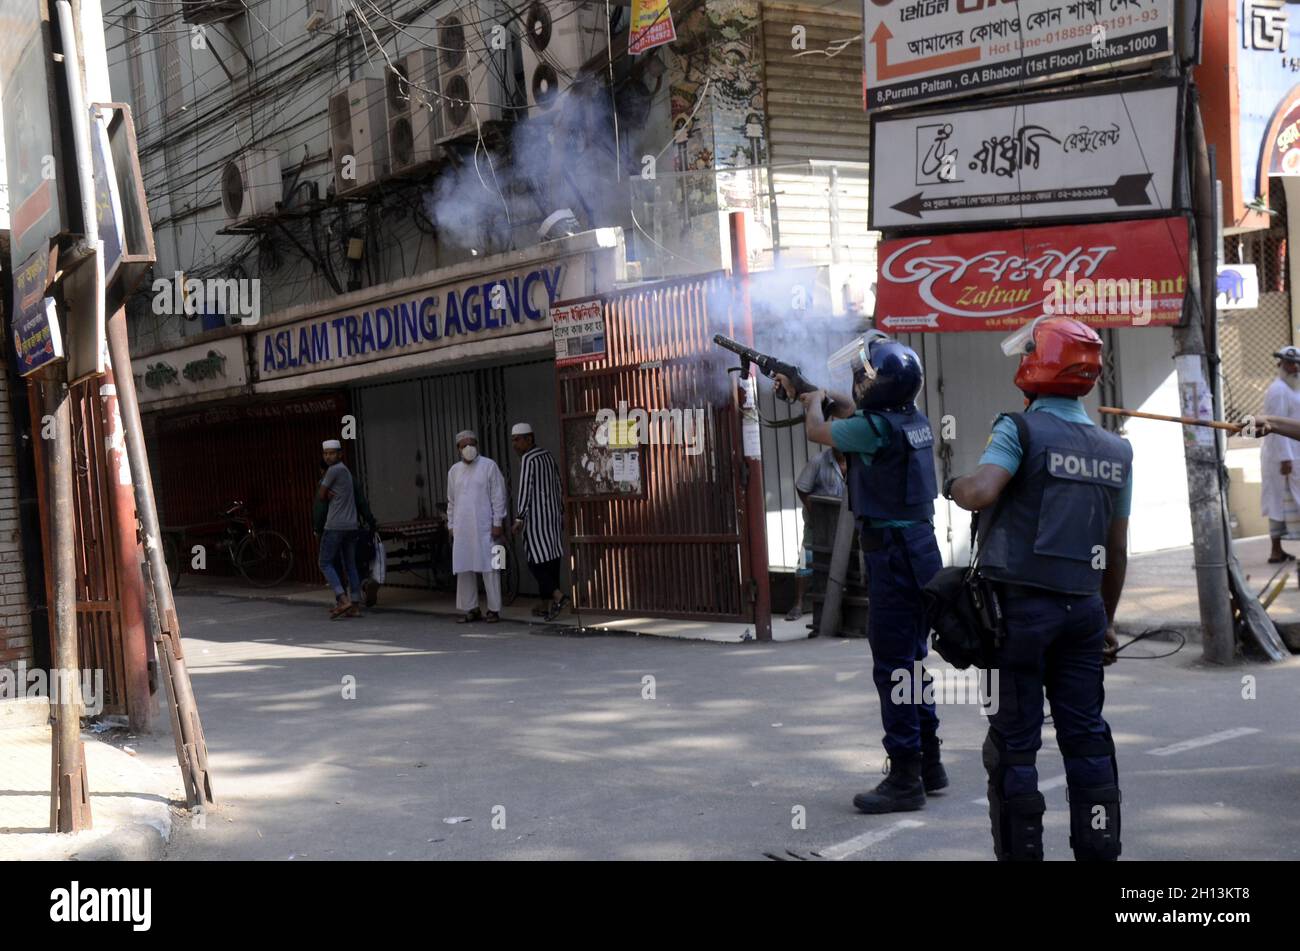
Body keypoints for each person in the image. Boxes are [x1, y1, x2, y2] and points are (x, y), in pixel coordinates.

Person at [946, 316, 1131, 862]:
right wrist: (1108, 619)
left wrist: (953, 484)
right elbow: (1115, 550)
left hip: (1018, 618)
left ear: (1037, 363)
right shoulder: (1115, 450)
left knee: (1014, 745)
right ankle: (1099, 852)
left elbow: (981, 492)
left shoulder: (1019, 429)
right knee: (1087, 738)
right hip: (1083, 615)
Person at [778, 330, 947, 814]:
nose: (855, 381)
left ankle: (905, 777)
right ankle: (929, 762)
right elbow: (863, 423)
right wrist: (830, 398)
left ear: (877, 384)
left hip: (890, 554)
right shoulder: (911, 420)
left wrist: (812, 402)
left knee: (892, 665)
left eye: (861, 376)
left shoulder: (872, 428)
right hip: (920, 549)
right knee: (913, 661)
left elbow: (818, 431)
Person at [447, 430, 508, 623]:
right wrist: (451, 524)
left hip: (485, 527)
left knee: (490, 568)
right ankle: (470, 608)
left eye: (471, 443)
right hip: (462, 529)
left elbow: (499, 496)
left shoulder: (489, 466)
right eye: (464, 445)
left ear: (477, 445)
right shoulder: (454, 471)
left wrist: (497, 522)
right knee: (464, 568)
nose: (468, 448)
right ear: (458, 449)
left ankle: (493, 609)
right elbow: (451, 501)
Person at [510, 422, 568, 621]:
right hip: (552, 517)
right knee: (551, 559)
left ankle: (558, 596)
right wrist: (561, 511)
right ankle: (546, 604)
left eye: (518, 440)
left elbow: (525, 488)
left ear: (529, 438)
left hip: (535, 520)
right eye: (513, 441)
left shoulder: (528, 459)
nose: (515, 445)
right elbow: (559, 483)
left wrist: (519, 517)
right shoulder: (548, 455)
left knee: (535, 562)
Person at [786, 448, 847, 622]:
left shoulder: (857, 459)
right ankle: (798, 604)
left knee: (845, 559)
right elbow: (802, 487)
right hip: (818, 521)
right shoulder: (818, 461)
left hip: (844, 521)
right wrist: (814, 511)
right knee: (807, 559)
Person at [314, 463, 381, 607]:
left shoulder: (325, 484)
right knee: (353, 563)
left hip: (332, 528)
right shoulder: (351, 480)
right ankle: (358, 596)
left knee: (331, 563)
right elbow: (362, 502)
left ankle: (342, 599)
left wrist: (317, 529)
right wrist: (371, 521)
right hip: (353, 526)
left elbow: (320, 510)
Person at [1260, 346, 1300, 563]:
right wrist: (1285, 458)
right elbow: (1274, 425)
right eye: (1290, 363)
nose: (1294, 367)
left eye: (1296, 364)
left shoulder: (1294, 387)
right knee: (1279, 503)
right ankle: (1276, 550)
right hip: (1282, 458)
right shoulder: (1278, 390)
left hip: (1296, 454)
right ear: (1280, 365)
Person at [317, 439, 362, 619]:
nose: (328, 456)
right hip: (351, 526)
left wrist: (326, 493)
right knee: (350, 564)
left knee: (324, 562)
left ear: (340, 454)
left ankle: (343, 600)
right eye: (326, 453)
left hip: (335, 525)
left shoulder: (333, 470)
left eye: (332, 453)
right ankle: (355, 605)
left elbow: (321, 496)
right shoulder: (346, 471)